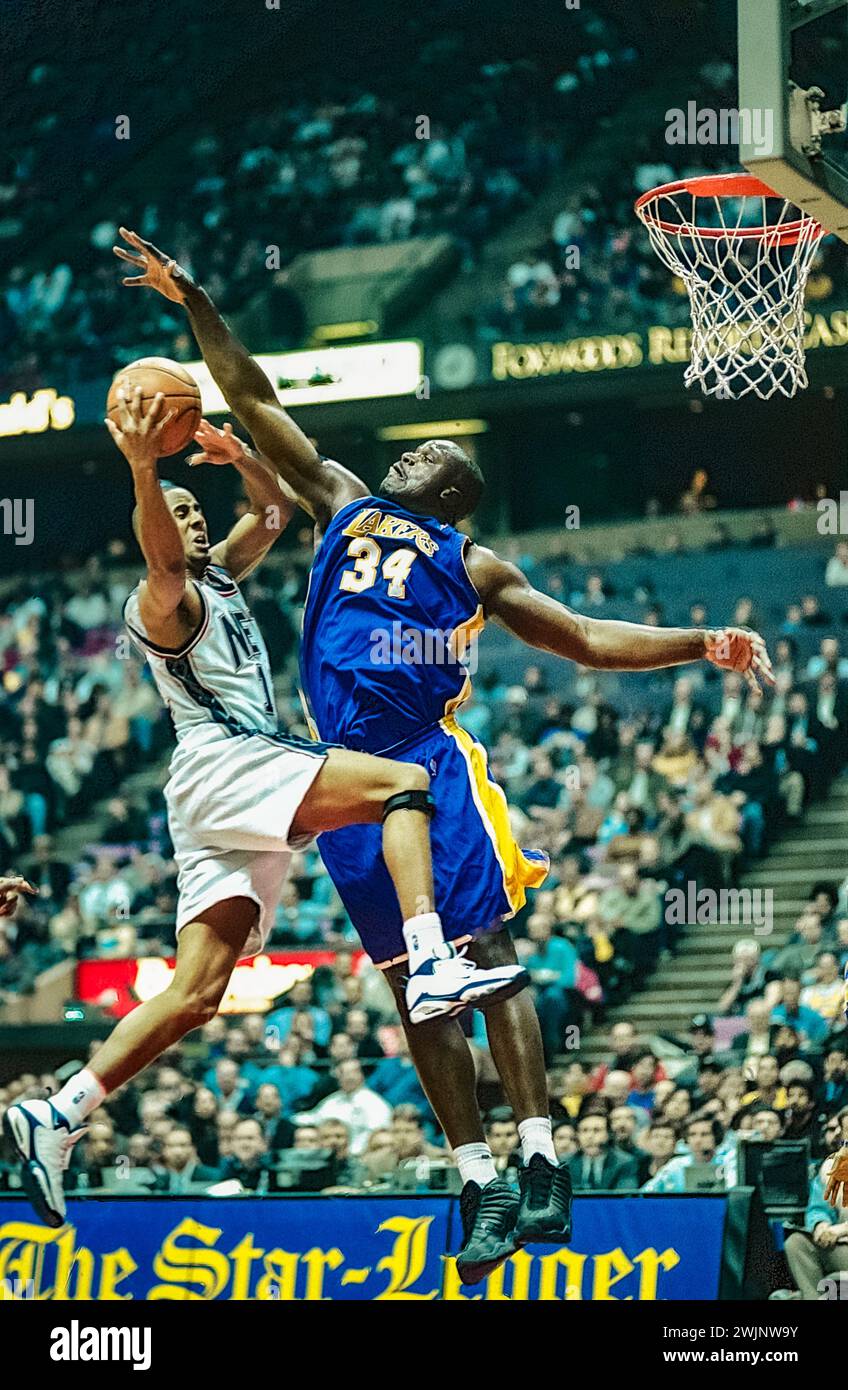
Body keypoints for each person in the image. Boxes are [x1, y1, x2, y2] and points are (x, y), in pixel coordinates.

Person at [113, 227, 774, 1284]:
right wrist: (193, 301)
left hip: (425, 761)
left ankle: (542, 1153)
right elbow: (251, 390)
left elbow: (589, 640)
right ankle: (476, 1176)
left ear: (451, 490)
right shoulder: (337, 500)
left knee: (479, 951)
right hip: (337, 777)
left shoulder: (472, 560)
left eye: (429, 457)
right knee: (405, 983)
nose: (409, 452)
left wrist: (702, 641)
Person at [4, 395, 521, 1232]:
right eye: (175, 517)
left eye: (194, 510)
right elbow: (164, 560)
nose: (191, 523)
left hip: (220, 798)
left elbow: (274, 509)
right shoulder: (161, 597)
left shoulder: (220, 576)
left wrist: (238, 453)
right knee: (401, 783)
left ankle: (58, 1112)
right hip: (227, 760)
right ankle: (430, 957)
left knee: (199, 992)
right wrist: (145, 471)